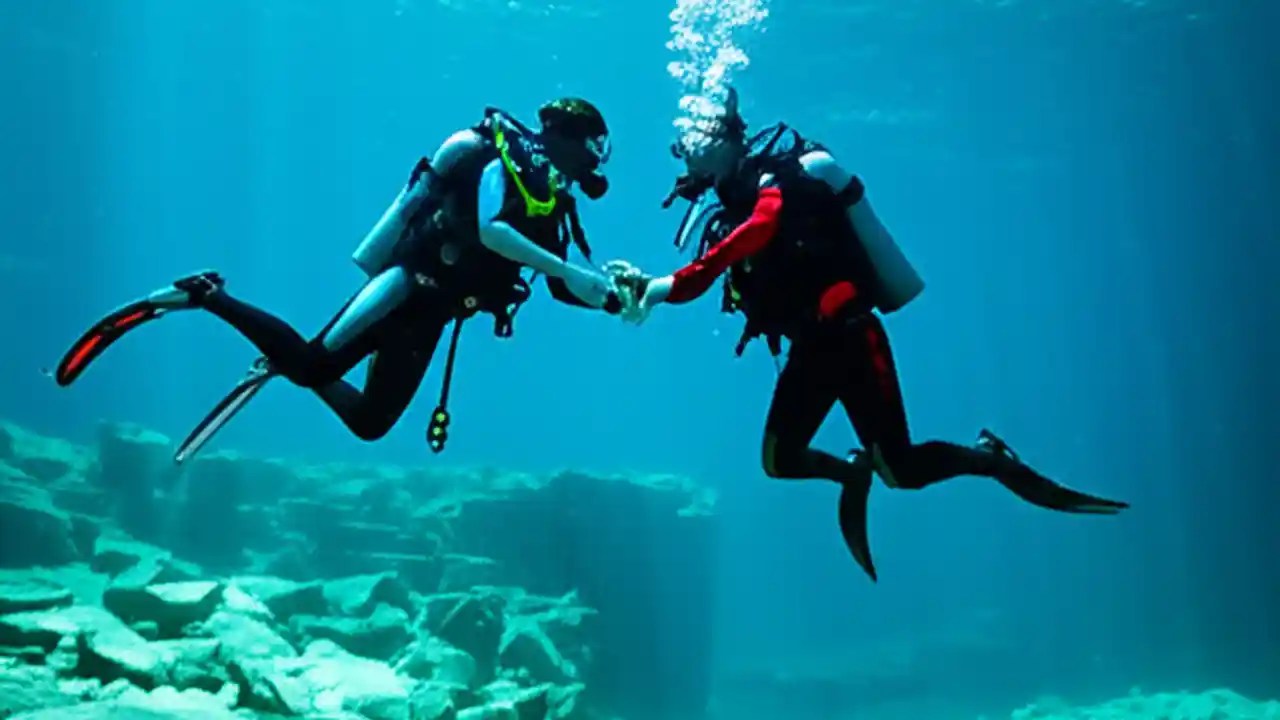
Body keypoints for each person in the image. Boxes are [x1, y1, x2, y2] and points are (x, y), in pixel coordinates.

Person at [608, 88, 1128, 582]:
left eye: (696, 143)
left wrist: (667, 285)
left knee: (902, 472)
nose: (688, 156)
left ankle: (989, 458)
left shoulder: (775, 176)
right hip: (811, 348)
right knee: (779, 461)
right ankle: (852, 474)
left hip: (852, 337)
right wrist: (657, 287)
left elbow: (766, 227)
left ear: (726, 141)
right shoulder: (731, 202)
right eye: (684, 146)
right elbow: (740, 262)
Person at [55, 98, 631, 462]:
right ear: (568, 138)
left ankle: (283, 360)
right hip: (407, 284)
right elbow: (490, 231)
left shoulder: (551, 203)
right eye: (593, 148)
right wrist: (569, 270)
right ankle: (207, 295)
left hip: (433, 315)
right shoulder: (501, 161)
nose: (593, 164)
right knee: (315, 367)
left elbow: (560, 287)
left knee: (371, 424)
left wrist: (610, 298)